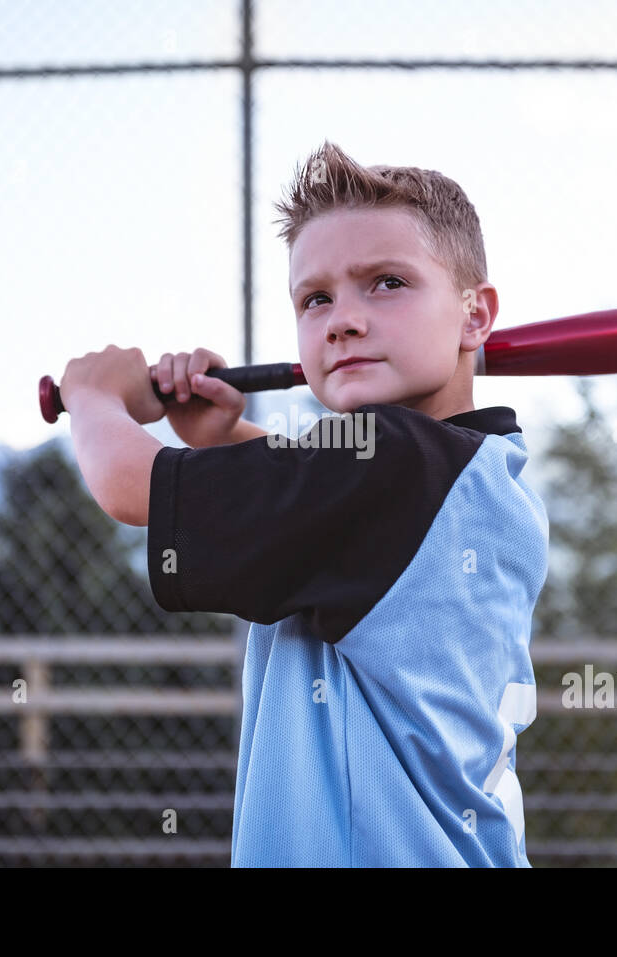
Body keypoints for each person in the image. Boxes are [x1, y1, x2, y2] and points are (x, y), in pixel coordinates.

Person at [59, 140, 549, 866]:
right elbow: (341, 527)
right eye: (315, 297)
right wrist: (227, 437)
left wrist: (93, 397)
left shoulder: (391, 464)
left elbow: (130, 485)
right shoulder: (480, 472)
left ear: (475, 316)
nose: (342, 319)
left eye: (386, 282)